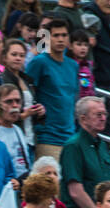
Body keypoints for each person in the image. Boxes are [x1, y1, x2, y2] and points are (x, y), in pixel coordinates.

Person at [26, 17, 78, 159]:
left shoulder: (73, 65)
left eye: (64, 35)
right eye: (56, 35)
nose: (60, 39)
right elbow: (27, 93)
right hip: (47, 137)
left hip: (70, 137)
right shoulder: (39, 62)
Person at [56, 96, 110, 208]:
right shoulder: (73, 146)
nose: (103, 118)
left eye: (104, 114)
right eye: (98, 114)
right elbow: (76, 191)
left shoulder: (103, 145)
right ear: (83, 119)